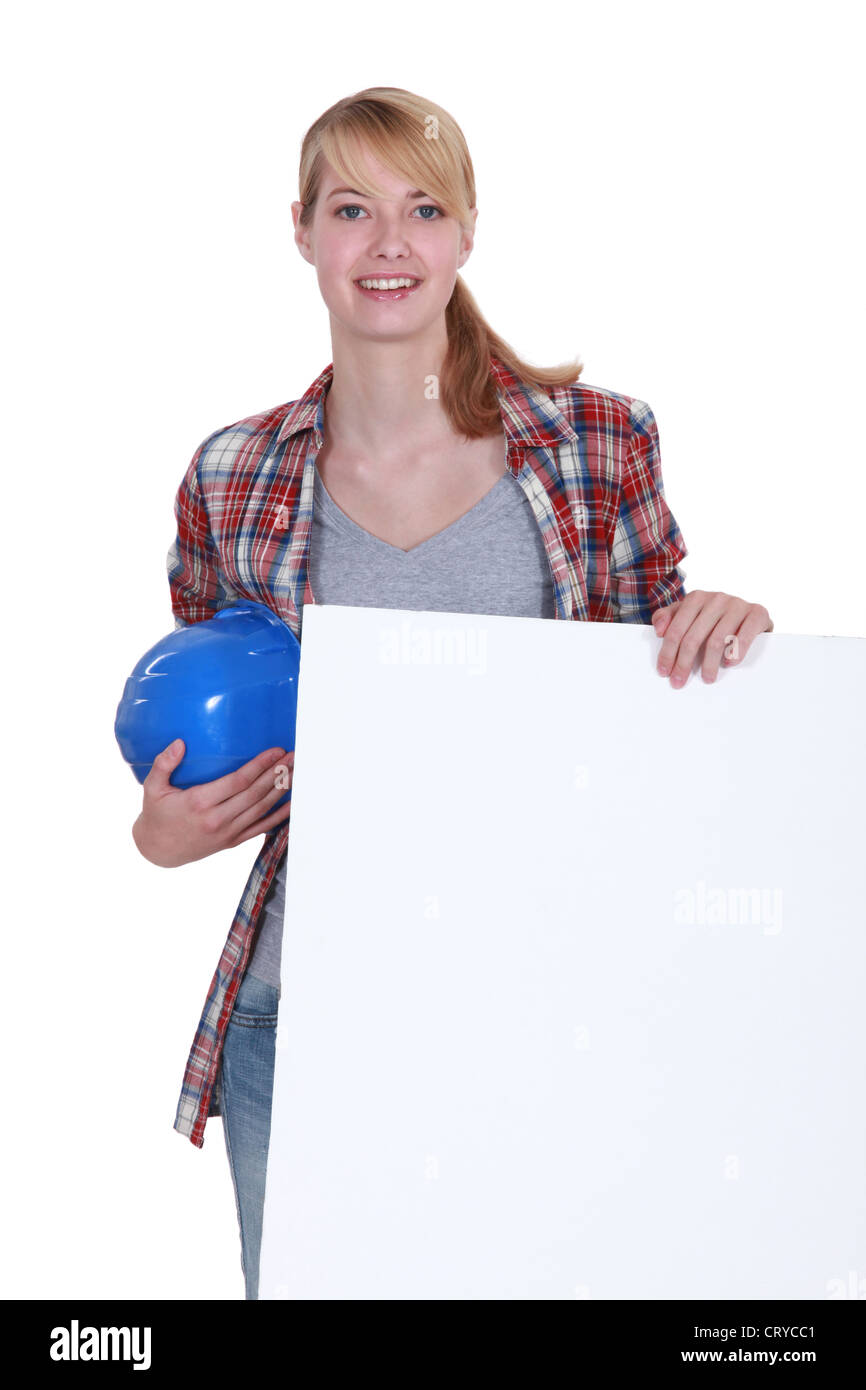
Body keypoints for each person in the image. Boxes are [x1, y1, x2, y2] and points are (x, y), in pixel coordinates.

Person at [131, 86, 774, 1299]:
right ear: (301, 230)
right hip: (306, 1017)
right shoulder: (232, 474)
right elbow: (211, 729)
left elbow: (668, 709)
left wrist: (722, 628)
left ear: (468, 230)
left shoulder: (596, 445)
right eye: (350, 208)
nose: (388, 243)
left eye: (422, 208)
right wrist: (164, 831)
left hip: (545, 1014)